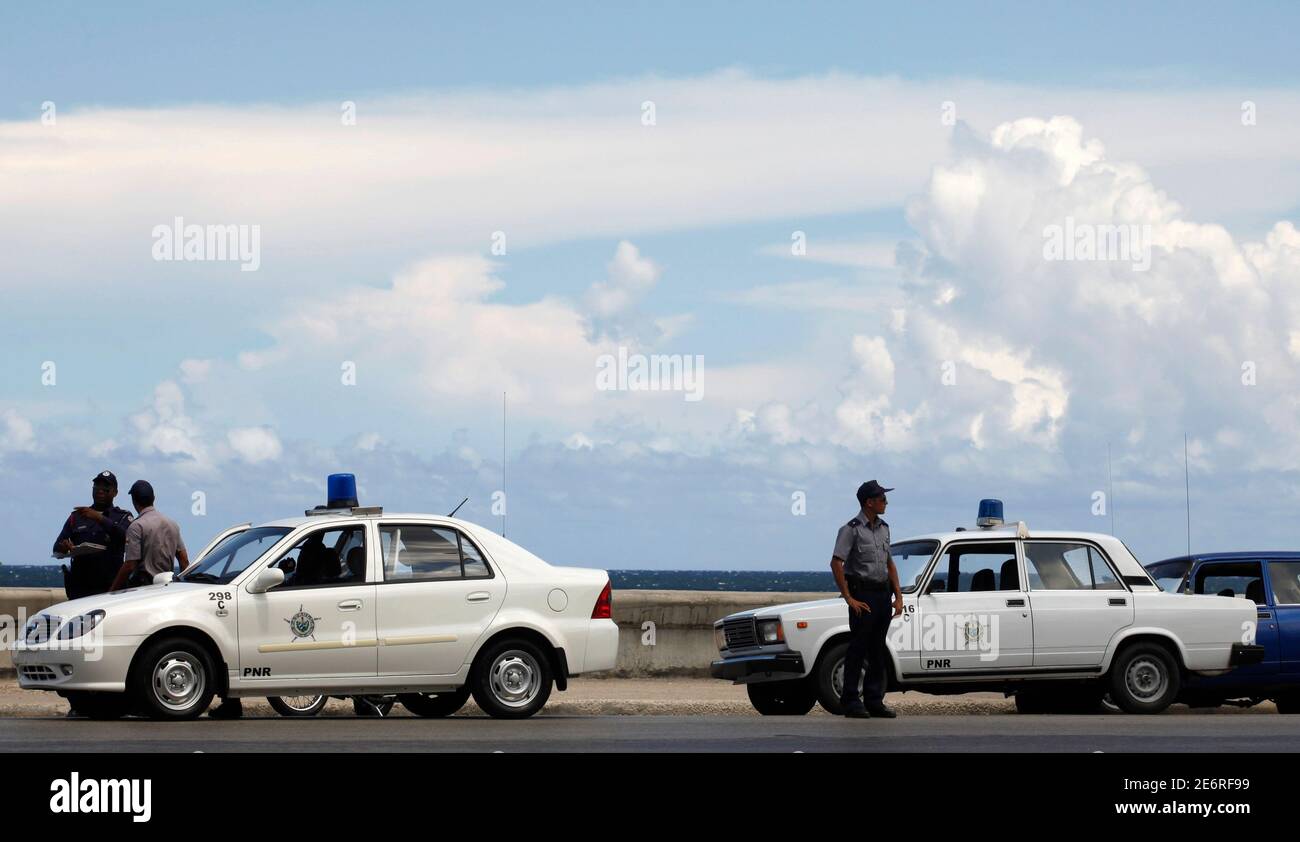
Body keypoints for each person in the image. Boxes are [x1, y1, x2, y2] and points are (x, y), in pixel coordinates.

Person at [830, 480, 904, 719]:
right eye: (882, 499)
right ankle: (851, 700)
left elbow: (889, 563)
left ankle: (874, 700)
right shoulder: (851, 529)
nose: (886, 502)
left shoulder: (884, 528)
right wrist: (849, 598)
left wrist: (898, 596)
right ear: (868, 502)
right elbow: (836, 563)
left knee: (877, 650)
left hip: (883, 594)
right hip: (863, 594)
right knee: (858, 648)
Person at [52, 471, 135, 600]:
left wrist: (99, 518)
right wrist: (64, 547)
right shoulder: (77, 516)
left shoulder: (123, 516)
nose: (100, 491)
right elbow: (56, 547)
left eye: (106, 488)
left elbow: (124, 537)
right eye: (97, 487)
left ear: (115, 493)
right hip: (81, 589)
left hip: (110, 589)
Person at [109, 480, 190, 592]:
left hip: (143, 589)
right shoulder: (172, 524)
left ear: (134, 501)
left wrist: (112, 590)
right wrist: (182, 588)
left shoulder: (137, 526)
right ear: (154, 498)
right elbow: (184, 560)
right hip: (167, 588)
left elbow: (130, 565)